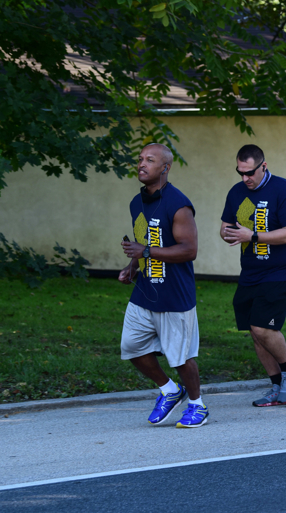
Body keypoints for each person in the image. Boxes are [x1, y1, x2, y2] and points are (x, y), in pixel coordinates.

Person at [119, 143, 208, 428]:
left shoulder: (178, 205)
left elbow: (189, 250)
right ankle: (170, 390)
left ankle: (197, 405)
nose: (141, 164)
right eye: (140, 159)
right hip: (145, 291)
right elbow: (147, 243)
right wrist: (132, 266)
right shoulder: (137, 202)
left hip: (174, 296)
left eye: (150, 160)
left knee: (180, 358)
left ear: (165, 168)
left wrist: (143, 252)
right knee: (131, 347)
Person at [220, 144, 286, 408]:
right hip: (251, 271)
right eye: (240, 172)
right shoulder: (236, 192)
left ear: (263, 166)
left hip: (281, 270)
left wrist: (253, 235)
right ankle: (276, 385)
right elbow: (225, 227)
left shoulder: (283, 190)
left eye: (249, 172)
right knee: (254, 332)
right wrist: (229, 234)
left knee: (262, 326)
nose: (245, 178)